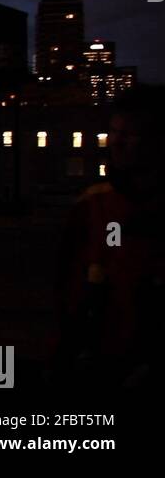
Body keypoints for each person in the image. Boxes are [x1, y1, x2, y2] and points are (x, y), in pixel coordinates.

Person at [55, 85, 165, 386]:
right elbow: (68, 288)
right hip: (101, 364)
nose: (116, 142)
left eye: (129, 134)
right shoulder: (94, 204)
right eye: (113, 131)